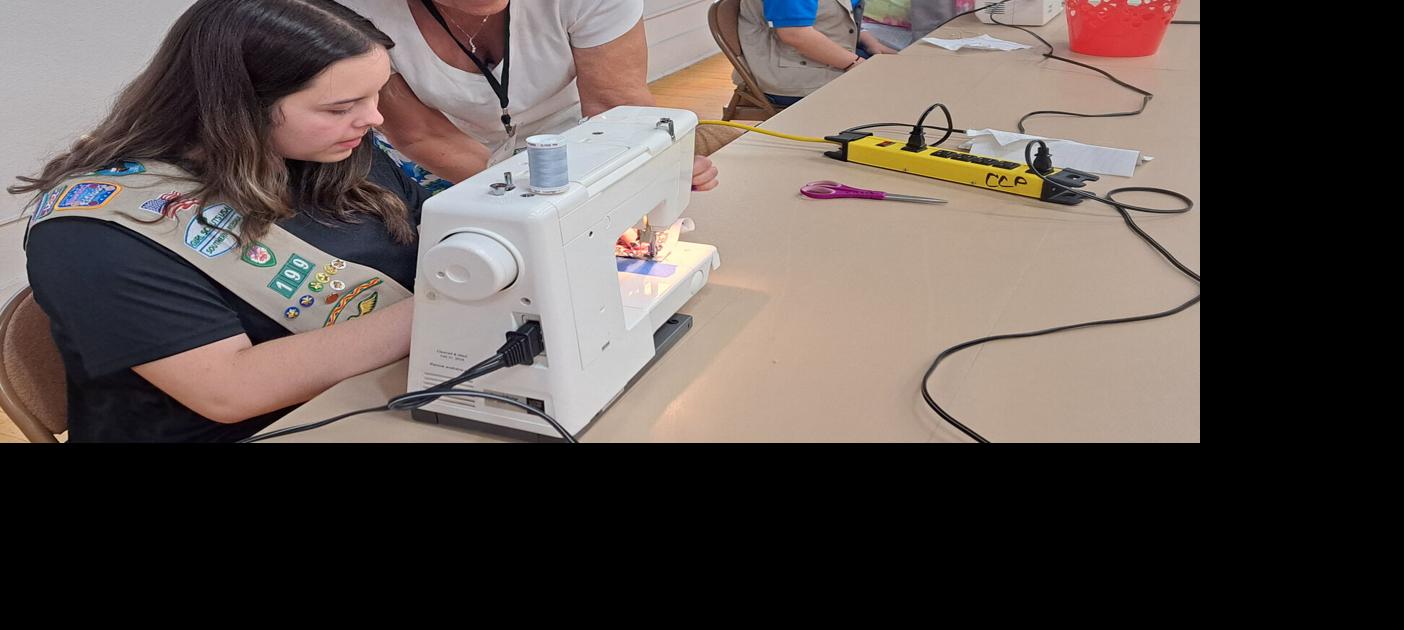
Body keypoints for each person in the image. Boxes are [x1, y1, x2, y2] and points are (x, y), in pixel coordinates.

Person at [10, 0, 426, 442]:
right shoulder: (93, 235)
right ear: (239, 106)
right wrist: (441, 312)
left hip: (379, 396)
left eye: (376, 93)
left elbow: (434, 236)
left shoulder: (334, 151)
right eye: (340, 107)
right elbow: (230, 390)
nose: (374, 118)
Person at [338, 1, 718, 191]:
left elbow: (615, 107)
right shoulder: (350, 11)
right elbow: (421, 133)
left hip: (571, 140)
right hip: (438, 159)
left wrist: (645, 165)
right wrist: (531, 193)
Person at [737, 0, 898, 109]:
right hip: (793, 75)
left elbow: (833, 17)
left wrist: (870, 43)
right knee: (892, 93)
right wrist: (854, 63)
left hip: (827, 57)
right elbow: (794, 34)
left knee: (898, 77)